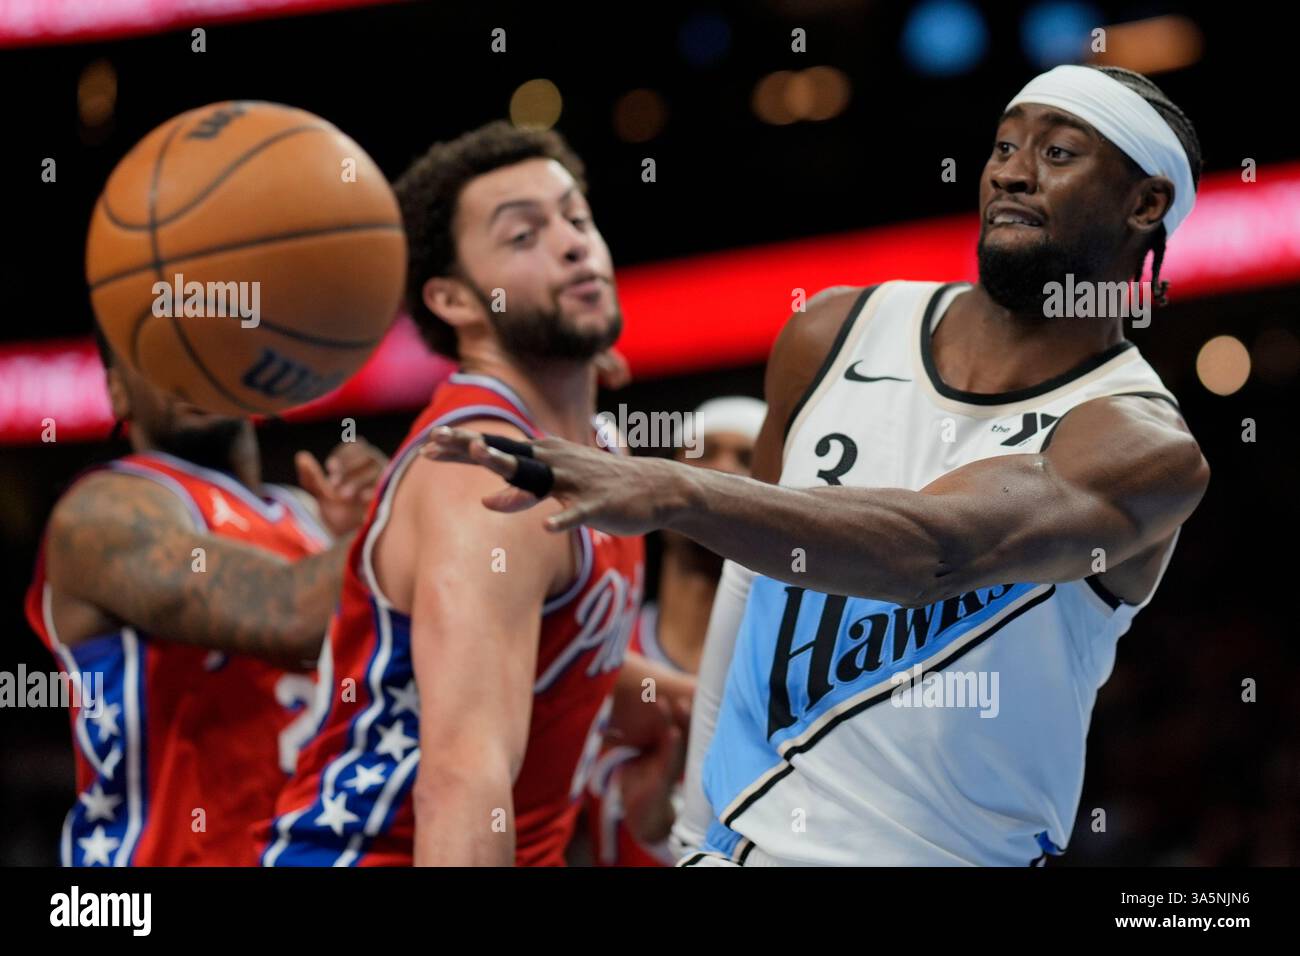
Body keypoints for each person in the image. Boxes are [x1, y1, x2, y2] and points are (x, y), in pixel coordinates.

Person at [426, 65, 1212, 866]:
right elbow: (746, 577)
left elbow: (937, 551)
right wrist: (698, 832)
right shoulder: (835, 331)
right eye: (1005, 146)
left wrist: (678, 488)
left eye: (1059, 153)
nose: (1012, 171)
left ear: (1145, 203)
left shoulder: (1142, 446)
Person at [263, 121, 652, 867]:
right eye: (521, 236)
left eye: (577, 217)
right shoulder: (488, 478)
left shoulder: (599, 448)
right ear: (456, 299)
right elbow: (462, 784)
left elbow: (542, 646)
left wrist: (667, 695)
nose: (574, 244)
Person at [26, 330, 385, 865]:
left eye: (203, 342)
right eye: (158, 352)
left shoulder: (311, 519)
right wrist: (398, 518)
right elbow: (286, 615)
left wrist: (371, 527)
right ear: (118, 392)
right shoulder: (101, 510)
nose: (189, 364)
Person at [584, 396, 764, 865]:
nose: (723, 471)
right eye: (703, 453)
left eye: (747, 460)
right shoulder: (595, 646)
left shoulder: (794, 667)